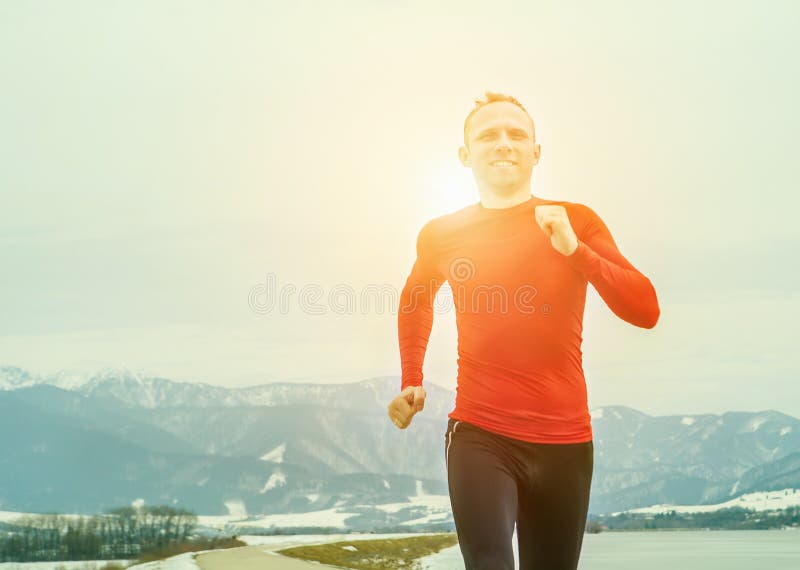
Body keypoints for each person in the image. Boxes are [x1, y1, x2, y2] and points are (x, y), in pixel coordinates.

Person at [386, 91, 660, 570]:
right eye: (488, 135)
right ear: (465, 155)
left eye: (517, 134)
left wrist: (576, 250)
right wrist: (412, 376)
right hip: (480, 432)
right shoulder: (441, 233)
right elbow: (415, 297)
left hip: (567, 442)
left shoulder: (576, 220)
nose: (503, 143)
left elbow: (645, 309)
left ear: (536, 151)